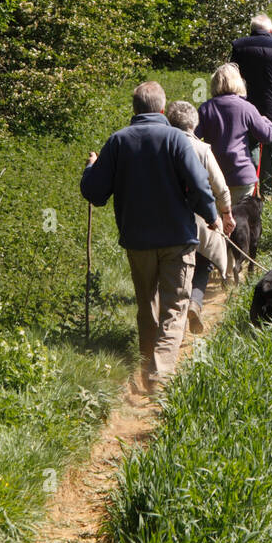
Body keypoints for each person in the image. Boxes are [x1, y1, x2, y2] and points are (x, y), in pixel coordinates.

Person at [81, 81, 218, 397]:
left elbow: (94, 193)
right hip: (177, 237)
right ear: (161, 108)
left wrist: (91, 167)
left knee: (148, 303)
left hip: (137, 240)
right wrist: (211, 215)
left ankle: (148, 364)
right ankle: (159, 373)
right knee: (176, 305)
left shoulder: (118, 142)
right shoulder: (175, 138)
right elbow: (198, 184)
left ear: (135, 109)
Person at [167, 100, 235, 335]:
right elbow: (220, 187)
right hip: (201, 218)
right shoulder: (202, 150)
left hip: (170, 220)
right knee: (204, 261)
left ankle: (176, 310)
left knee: (174, 267)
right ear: (194, 124)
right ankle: (195, 302)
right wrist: (226, 214)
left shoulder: (161, 145)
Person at [229, 18, 272, 196]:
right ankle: (267, 191)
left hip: (246, 105)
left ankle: (251, 189)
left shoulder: (239, 46)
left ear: (252, 30)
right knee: (271, 147)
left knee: (250, 145)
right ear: (269, 31)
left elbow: (231, 75)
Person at [195, 63, 272, 205]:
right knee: (241, 222)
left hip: (214, 174)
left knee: (218, 221)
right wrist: (266, 122)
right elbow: (266, 136)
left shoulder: (205, 108)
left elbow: (193, 137)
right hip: (242, 174)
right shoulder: (246, 107)